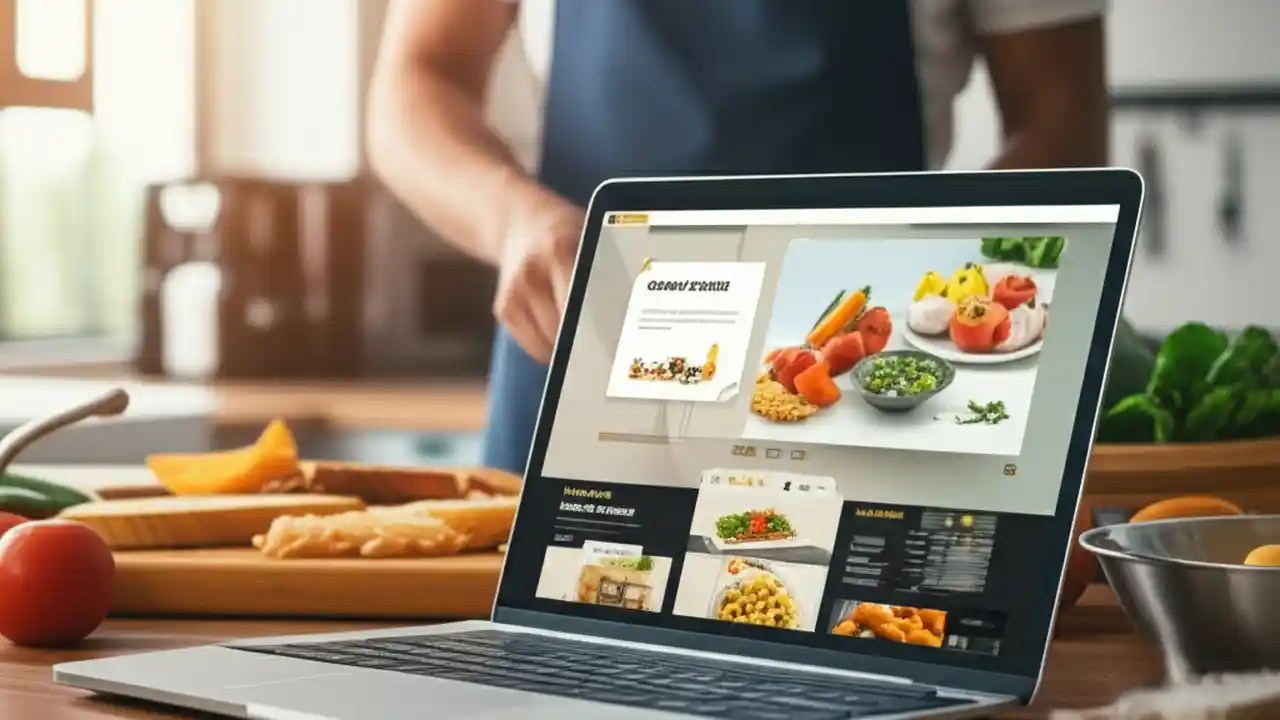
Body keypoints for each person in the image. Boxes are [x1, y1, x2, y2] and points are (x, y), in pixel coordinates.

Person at [367, 0, 1108, 475]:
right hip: (581, 353)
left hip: (858, 379)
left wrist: (955, 302)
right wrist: (516, 220)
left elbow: (1061, 119)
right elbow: (414, 84)